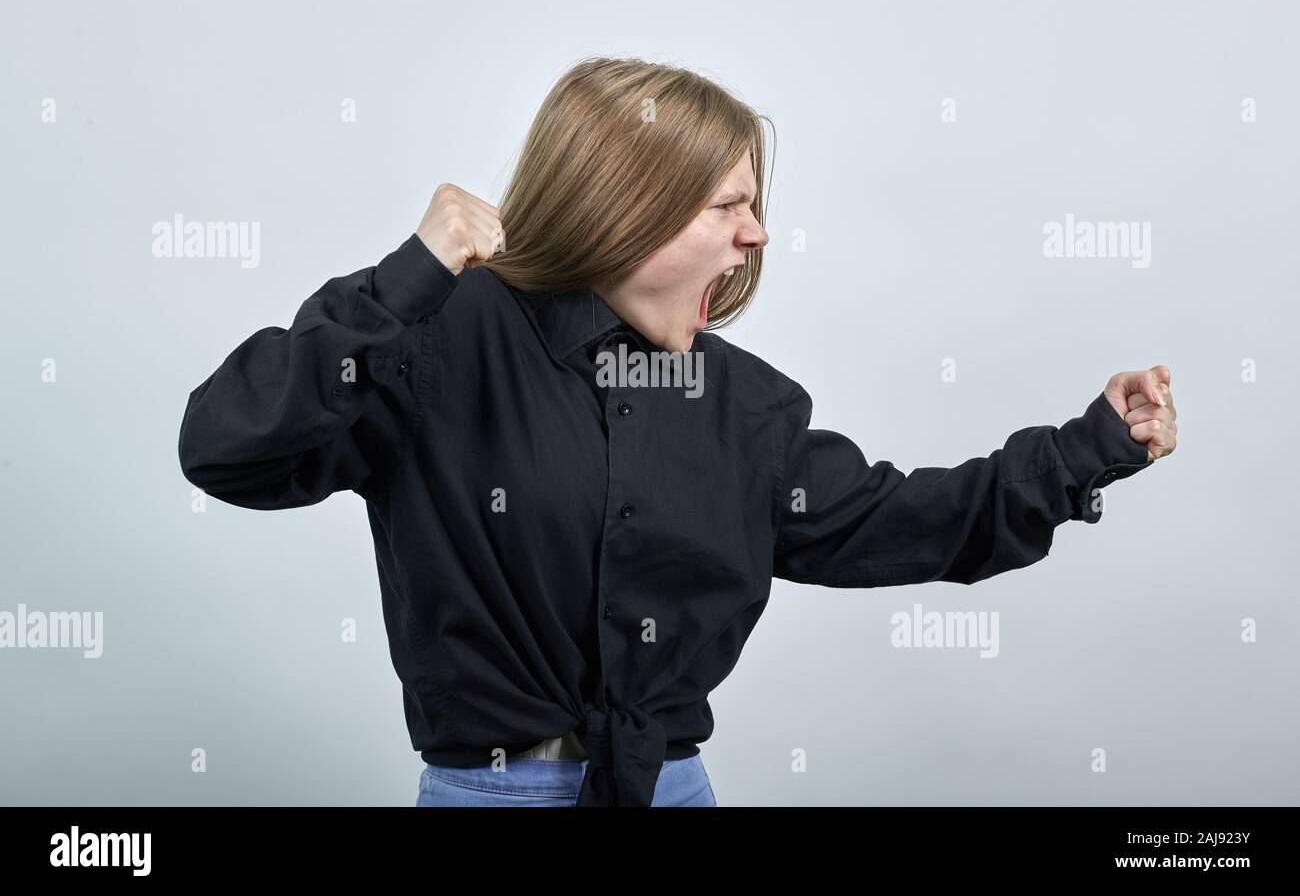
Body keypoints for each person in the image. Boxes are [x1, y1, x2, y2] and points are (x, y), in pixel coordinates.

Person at [177, 56, 1177, 807]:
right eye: (727, 203)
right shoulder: (438, 335)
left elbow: (901, 518)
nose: (757, 234)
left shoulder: (743, 404)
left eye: (754, 204)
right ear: (627, 206)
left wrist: (1088, 446)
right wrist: (408, 274)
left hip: (672, 786)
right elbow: (230, 443)